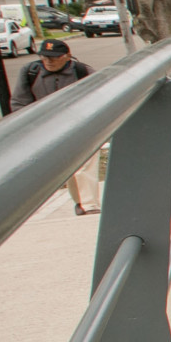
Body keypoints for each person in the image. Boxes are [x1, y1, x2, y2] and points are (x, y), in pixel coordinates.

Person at [12, 38, 101, 215]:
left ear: (67, 56)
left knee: (85, 163)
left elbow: (100, 93)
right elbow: (20, 101)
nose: (49, 61)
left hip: (80, 123)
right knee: (69, 167)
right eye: (44, 57)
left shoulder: (82, 71)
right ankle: (80, 202)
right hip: (48, 128)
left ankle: (90, 204)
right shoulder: (30, 72)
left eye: (54, 57)